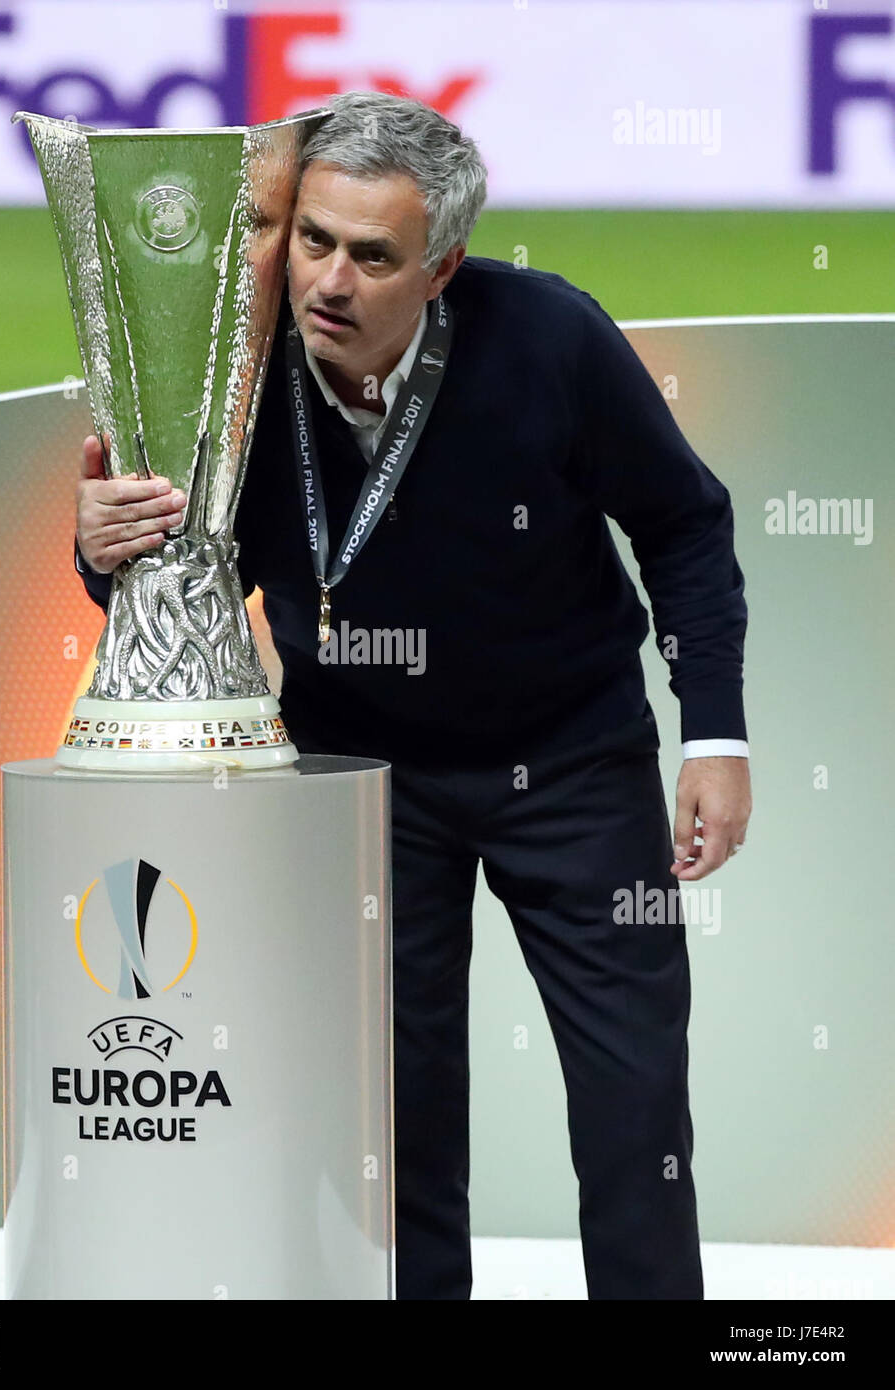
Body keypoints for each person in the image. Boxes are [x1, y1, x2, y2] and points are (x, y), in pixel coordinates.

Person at [74, 90, 752, 1301]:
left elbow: (684, 525)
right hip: (357, 776)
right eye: (313, 240)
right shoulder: (228, 359)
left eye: (371, 256)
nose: (328, 280)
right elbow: (169, 580)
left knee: (631, 1102)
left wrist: (715, 734)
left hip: (577, 763)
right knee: (394, 1108)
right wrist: (104, 542)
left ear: (439, 267)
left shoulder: (548, 336)